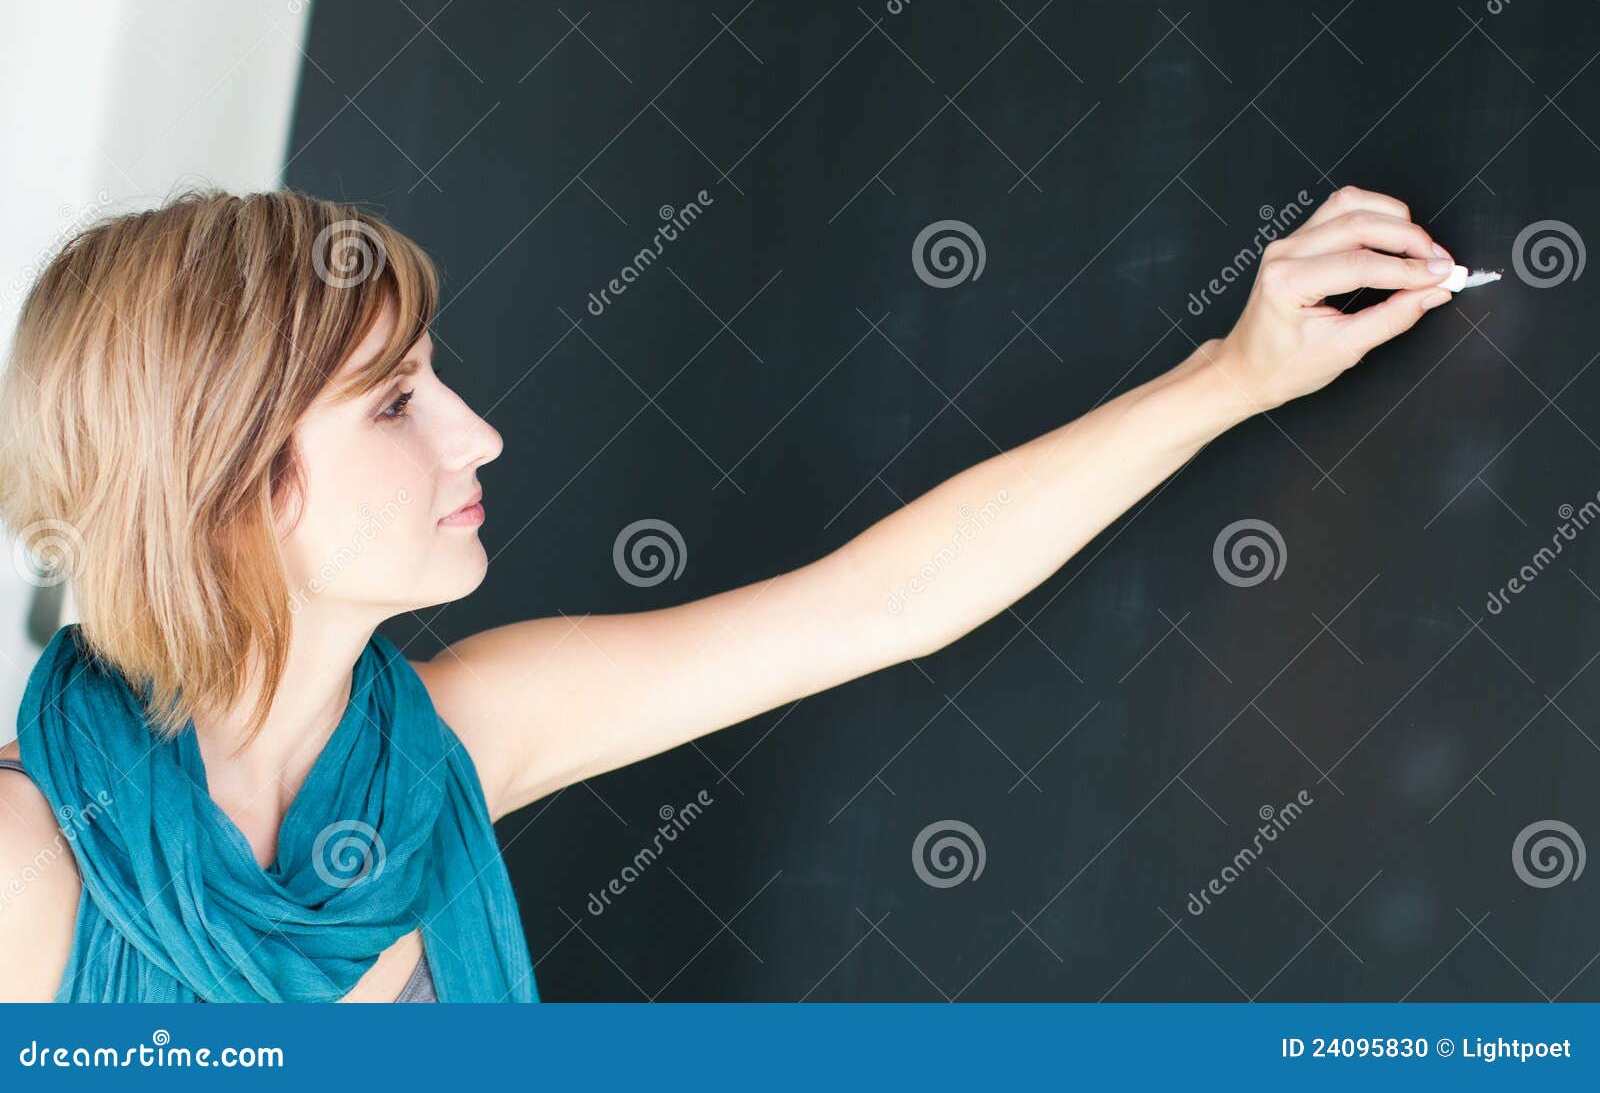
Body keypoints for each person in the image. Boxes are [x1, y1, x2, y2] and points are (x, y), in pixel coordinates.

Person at [0, 183, 1456, 1002]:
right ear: (228, 480)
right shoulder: (26, 855)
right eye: (394, 403)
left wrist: (1234, 377)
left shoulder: (456, 742)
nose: (477, 434)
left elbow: (884, 603)